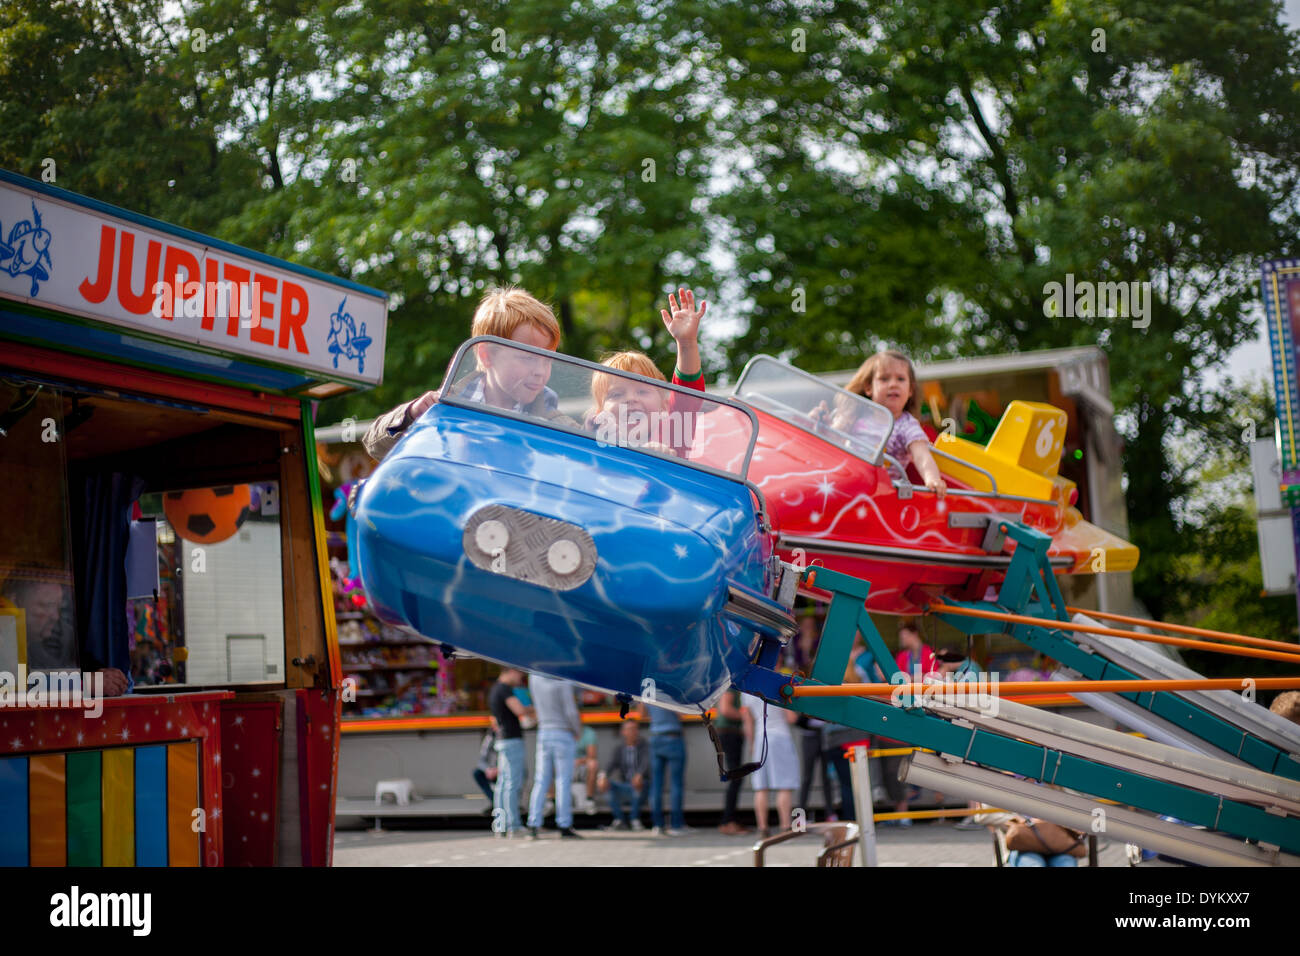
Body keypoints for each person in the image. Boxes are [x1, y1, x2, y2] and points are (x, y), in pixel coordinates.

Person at [362, 286, 567, 460]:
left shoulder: (547, 415)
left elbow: (584, 442)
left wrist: (593, 428)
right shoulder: (448, 403)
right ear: (487, 356)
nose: (540, 371)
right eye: (528, 358)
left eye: (547, 360)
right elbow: (374, 444)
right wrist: (411, 414)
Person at [587, 288, 708, 456]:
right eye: (616, 395)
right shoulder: (592, 447)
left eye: (642, 391)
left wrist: (686, 343)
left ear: (664, 406)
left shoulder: (675, 433)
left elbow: (687, 393)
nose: (630, 399)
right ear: (600, 413)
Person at [836, 349, 946, 495]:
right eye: (884, 379)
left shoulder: (907, 425)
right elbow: (832, 438)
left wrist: (932, 478)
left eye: (900, 379)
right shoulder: (855, 414)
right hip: (846, 481)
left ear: (910, 390)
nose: (893, 384)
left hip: (879, 493)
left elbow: (921, 455)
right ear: (869, 388)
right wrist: (818, 421)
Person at [525, 673, 585, 839]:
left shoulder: (533, 678)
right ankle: (564, 824)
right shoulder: (563, 681)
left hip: (544, 732)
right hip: (563, 733)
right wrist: (577, 731)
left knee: (541, 779)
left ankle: (533, 824)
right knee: (563, 781)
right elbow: (571, 711)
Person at [741, 692, 801, 838]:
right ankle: (785, 826)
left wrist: (752, 744)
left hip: (760, 737)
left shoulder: (746, 690)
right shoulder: (778, 687)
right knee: (784, 785)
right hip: (781, 737)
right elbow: (791, 718)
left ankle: (762, 828)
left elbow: (747, 721)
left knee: (761, 786)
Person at [488, 667, 533, 837]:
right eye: (520, 673)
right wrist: (535, 709)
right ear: (511, 671)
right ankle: (514, 825)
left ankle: (500, 826)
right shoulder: (504, 689)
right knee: (512, 784)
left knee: (502, 784)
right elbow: (519, 710)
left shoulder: (495, 689)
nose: (521, 677)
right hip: (511, 740)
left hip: (502, 740)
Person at [640, 702, 689, 836]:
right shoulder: (670, 686)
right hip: (673, 737)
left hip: (655, 737)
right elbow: (683, 712)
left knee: (656, 785)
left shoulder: (648, 687)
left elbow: (642, 714)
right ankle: (676, 825)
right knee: (676, 784)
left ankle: (657, 825)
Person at [599, 720, 650, 830]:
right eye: (630, 729)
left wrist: (639, 775)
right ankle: (619, 820)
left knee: (638, 783)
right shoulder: (619, 749)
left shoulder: (644, 746)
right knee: (606, 785)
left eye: (635, 729)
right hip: (625, 786)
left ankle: (634, 819)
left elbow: (646, 763)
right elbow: (610, 765)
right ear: (623, 732)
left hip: (641, 785)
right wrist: (602, 777)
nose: (633, 732)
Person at [714, 689, 751, 834]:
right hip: (729, 733)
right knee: (735, 778)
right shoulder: (731, 686)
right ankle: (727, 821)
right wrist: (746, 716)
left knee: (736, 778)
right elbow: (725, 709)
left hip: (729, 733)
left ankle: (730, 820)